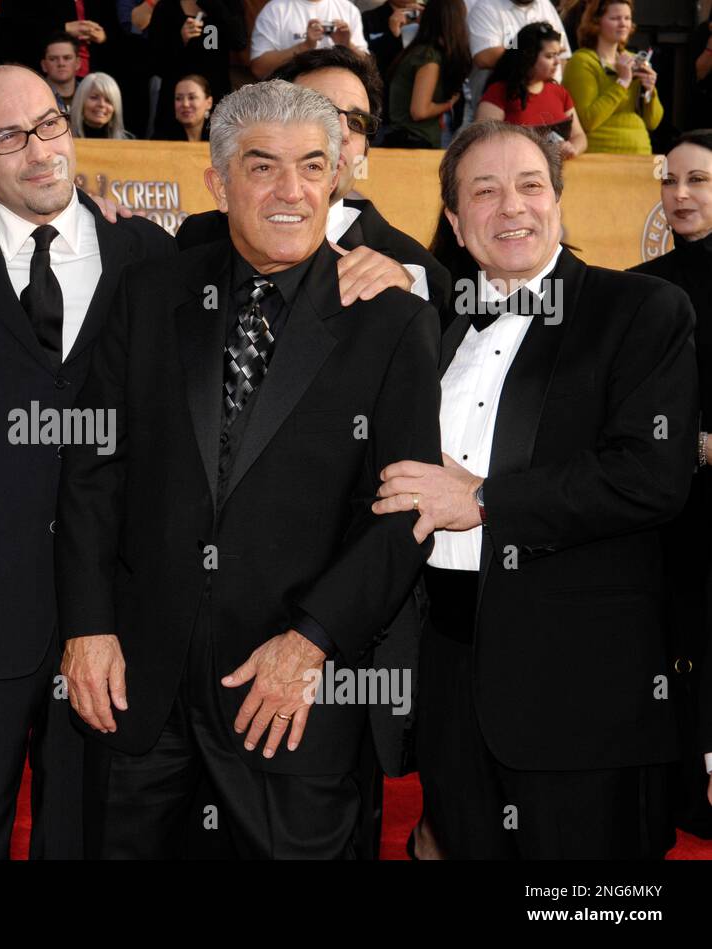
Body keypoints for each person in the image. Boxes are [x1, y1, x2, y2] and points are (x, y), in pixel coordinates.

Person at [55, 78, 441, 859]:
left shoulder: (392, 319)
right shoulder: (149, 291)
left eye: (311, 166)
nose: (290, 190)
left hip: (294, 697)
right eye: (262, 167)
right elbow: (96, 467)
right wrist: (90, 622)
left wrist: (311, 641)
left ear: (337, 176)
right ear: (217, 180)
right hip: (142, 687)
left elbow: (405, 514)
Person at [373, 120, 697, 859]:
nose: (510, 206)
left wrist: (484, 500)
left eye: (529, 185)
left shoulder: (638, 310)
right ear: (454, 220)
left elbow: (650, 476)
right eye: (483, 191)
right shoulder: (435, 330)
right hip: (451, 675)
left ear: (557, 199)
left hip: (580, 689)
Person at [0, 64, 175, 859]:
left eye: (50, 123)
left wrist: (386, 265)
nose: (40, 150)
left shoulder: (150, 259)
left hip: (112, 618)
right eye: (10, 137)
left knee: (84, 838)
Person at [179, 47, 452, 309]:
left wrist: (410, 298)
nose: (343, 134)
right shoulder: (199, 236)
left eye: (358, 122)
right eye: (323, 113)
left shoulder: (419, 275)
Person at [629, 129, 712, 838]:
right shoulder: (641, 287)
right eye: (670, 180)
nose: (680, 195)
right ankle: (681, 789)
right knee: (675, 643)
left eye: (699, 181)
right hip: (668, 505)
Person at [476, 21, 587, 159]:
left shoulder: (559, 92)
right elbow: (483, 142)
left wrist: (572, 148)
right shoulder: (498, 92)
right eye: (549, 56)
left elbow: (579, 136)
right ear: (528, 56)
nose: (557, 62)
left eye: (557, 55)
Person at [562, 0, 660, 155]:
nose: (623, 24)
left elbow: (653, 122)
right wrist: (622, 83)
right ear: (596, 22)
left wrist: (650, 90)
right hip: (600, 154)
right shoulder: (582, 61)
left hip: (640, 152)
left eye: (627, 18)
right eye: (615, 18)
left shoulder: (634, 60)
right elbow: (587, 121)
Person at [147, 0, 246, 138]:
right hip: (177, 100)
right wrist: (179, 38)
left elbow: (239, 41)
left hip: (216, 95)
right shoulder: (167, 7)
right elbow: (154, 62)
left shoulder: (228, 4)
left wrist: (213, 5)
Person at [465, 0, 569, 127]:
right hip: (506, 104)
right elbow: (484, 56)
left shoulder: (545, 5)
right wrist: (526, 49)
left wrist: (556, 93)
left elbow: (563, 51)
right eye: (549, 56)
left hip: (549, 98)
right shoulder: (486, 8)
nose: (555, 60)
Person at [382, 0, 469, 148]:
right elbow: (419, 111)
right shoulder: (428, 57)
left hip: (411, 140)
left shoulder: (423, 51)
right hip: (413, 143)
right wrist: (449, 104)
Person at [248, 0, 367, 79]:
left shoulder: (348, 9)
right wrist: (304, 47)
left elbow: (367, 66)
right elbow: (259, 68)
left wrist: (346, 45)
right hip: (290, 97)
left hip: (338, 94)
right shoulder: (275, 9)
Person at [362, 0, 424, 85]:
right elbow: (367, 61)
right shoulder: (368, 18)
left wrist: (428, 23)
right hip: (387, 86)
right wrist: (392, 34)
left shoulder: (431, 12)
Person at [70, 71, 133, 138]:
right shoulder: (64, 138)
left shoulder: (129, 142)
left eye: (108, 100)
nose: (101, 104)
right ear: (81, 102)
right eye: (94, 98)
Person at [40, 32, 81, 114]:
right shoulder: (35, 96)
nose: (61, 63)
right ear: (44, 65)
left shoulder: (90, 94)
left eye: (67, 58)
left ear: (78, 63)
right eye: (53, 59)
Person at [165, 72, 212, 141]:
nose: (185, 104)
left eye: (192, 97)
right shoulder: (161, 137)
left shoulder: (224, 137)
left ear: (209, 103)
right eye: (178, 98)